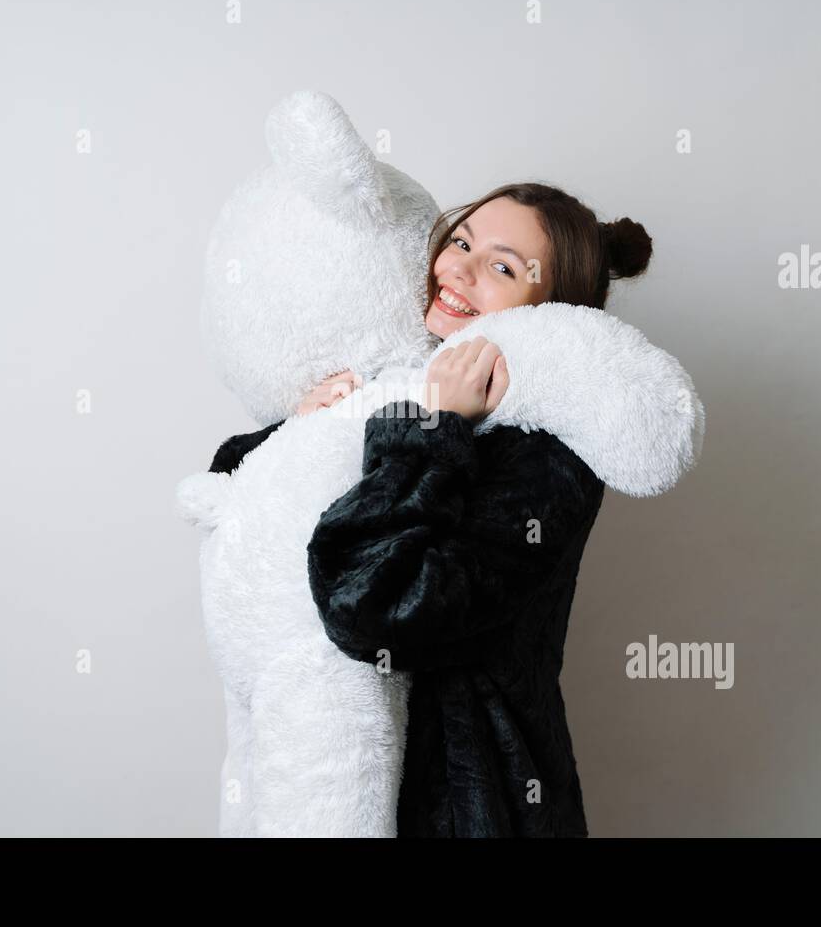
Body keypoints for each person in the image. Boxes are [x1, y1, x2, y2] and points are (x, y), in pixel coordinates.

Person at [207, 182, 653, 836]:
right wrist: (294, 430)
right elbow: (232, 495)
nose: (460, 270)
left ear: (552, 310)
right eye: (461, 242)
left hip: (472, 809)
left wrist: (434, 427)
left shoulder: (550, 458)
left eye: (503, 267)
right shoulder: (418, 377)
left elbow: (373, 607)